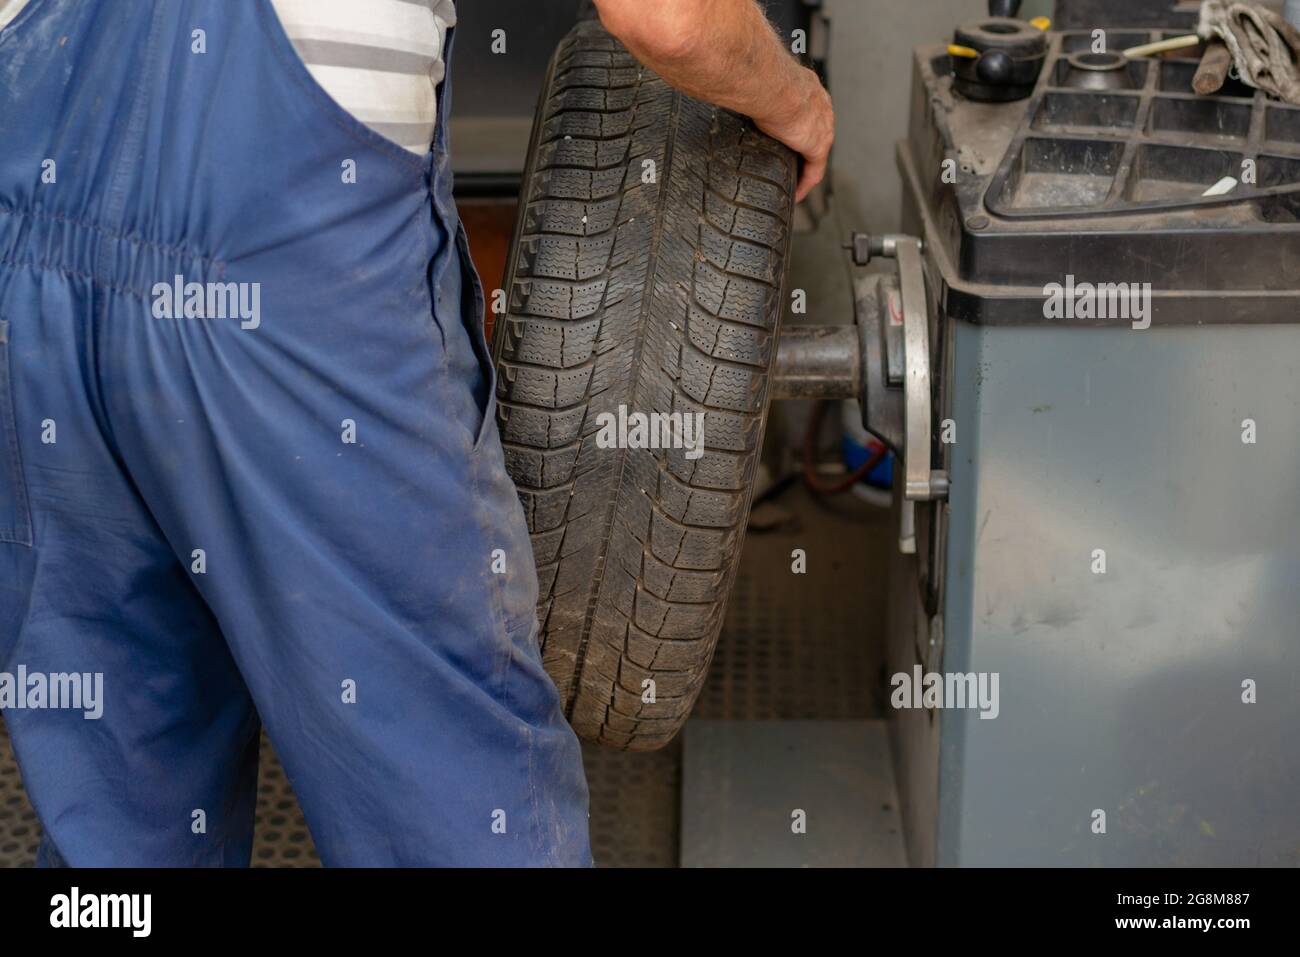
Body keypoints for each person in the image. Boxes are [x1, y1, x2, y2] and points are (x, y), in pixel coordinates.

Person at [0, 0, 833, 866]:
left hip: (27, 271)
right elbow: (666, 17)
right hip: (288, 274)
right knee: (457, 809)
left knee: (121, 824)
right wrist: (794, 99)